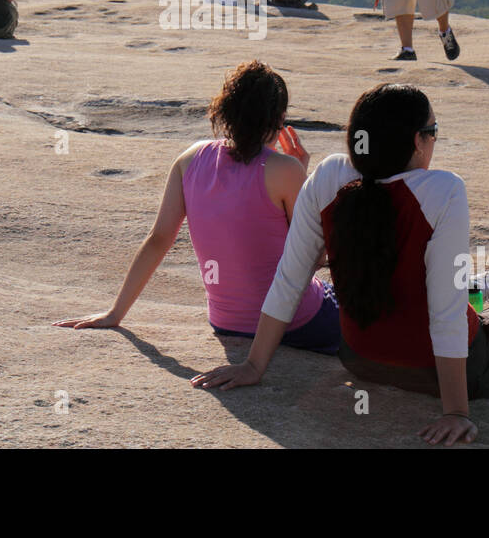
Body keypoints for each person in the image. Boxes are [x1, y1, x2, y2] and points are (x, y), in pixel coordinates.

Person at [191, 83, 489, 446]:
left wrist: (254, 366)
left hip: (360, 360)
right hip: (459, 367)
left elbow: (290, 277)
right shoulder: (442, 190)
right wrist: (456, 411)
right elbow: (445, 312)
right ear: (416, 141)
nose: (435, 140)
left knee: (481, 307)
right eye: (434, 130)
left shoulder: (327, 175)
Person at [54, 60, 340, 354]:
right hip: (295, 322)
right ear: (279, 120)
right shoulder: (285, 170)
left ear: (225, 110)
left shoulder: (190, 159)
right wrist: (301, 177)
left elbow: (158, 240)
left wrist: (115, 314)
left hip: (226, 322)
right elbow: (313, 256)